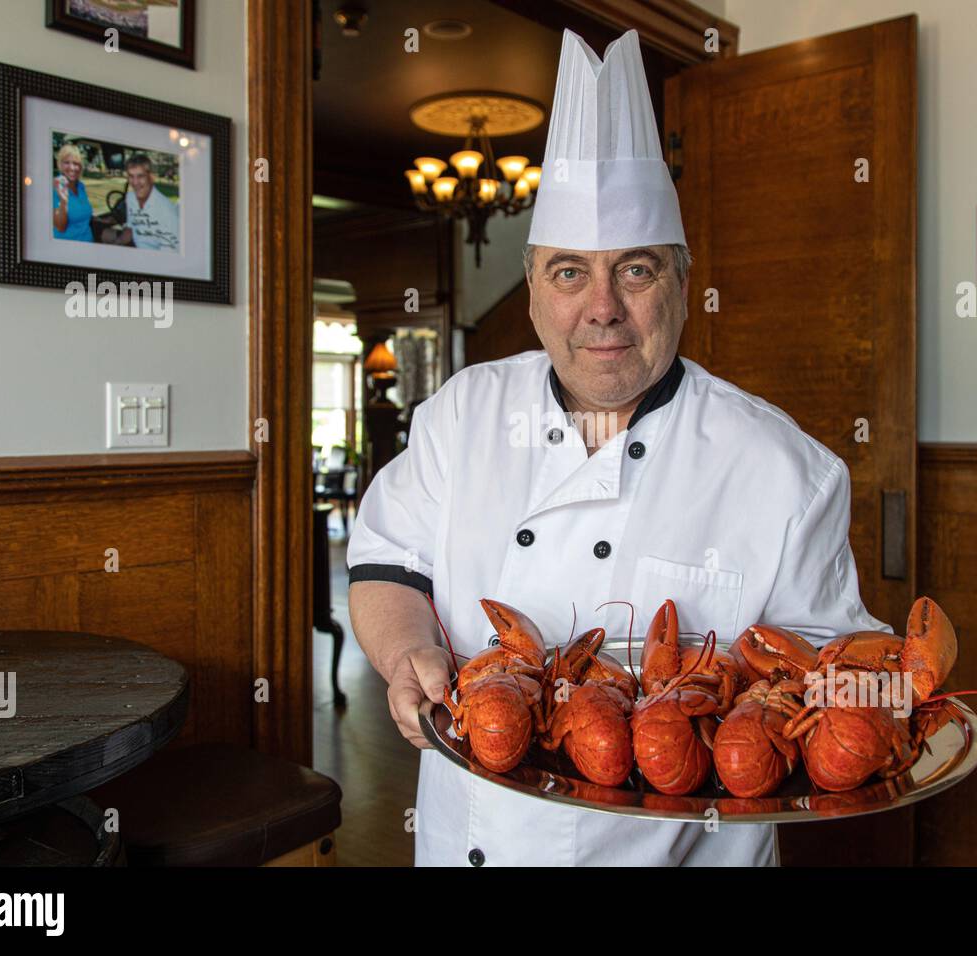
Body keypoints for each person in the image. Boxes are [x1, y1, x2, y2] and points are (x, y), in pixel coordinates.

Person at [347, 28, 889, 867]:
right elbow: (389, 563)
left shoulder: (790, 472)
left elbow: (834, 676)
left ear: (682, 278)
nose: (601, 308)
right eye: (569, 272)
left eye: (635, 270)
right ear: (531, 287)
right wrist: (407, 650)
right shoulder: (462, 412)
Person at [115, 153, 180, 252]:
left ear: (151, 177)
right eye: (131, 176)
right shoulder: (130, 197)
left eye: (140, 176)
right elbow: (130, 229)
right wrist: (115, 245)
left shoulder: (167, 211)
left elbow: (167, 257)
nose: (135, 182)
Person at [52, 143, 93, 242]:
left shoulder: (80, 186)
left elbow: (82, 211)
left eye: (76, 163)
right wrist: (63, 201)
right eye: (67, 162)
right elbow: (60, 227)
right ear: (60, 165)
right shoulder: (54, 188)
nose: (72, 168)